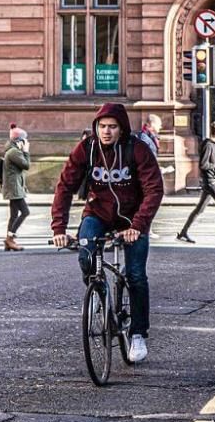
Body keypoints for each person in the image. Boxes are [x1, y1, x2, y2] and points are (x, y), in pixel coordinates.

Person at [51, 102, 165, 363]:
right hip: (97, 214)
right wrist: (59, 227)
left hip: (132, 219)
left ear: (121, 128)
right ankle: (97, 292)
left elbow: (153, 189)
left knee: (136, 275)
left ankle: (137, 334)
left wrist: (138, 225)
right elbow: (65, 186)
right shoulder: (87, 148)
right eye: (102, 126)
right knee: (85, 252)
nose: (106, 132)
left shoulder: (137, 149)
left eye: (112, 127)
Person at [1, 127, 32, 251]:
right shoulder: (14, 152)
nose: (26, 142)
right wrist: (26, 151)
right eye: (24, 140)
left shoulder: (12, 150)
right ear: (19, 140)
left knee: (14, 215)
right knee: (25, 212)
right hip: (14, 189)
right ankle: (10, 238)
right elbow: (26, 165)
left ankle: (9, 240)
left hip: (14, 187)